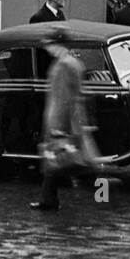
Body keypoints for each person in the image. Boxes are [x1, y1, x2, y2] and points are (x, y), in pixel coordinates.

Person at [31, 33, 99, 212]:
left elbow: (63, 98)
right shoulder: (72, 63)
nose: (47, 48)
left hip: (62, 123)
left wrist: (57, 126)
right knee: (54, 164)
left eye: (49, 44)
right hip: (68, 121)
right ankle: (47, 201)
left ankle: (105, 195)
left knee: (80, 167)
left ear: (57, 44)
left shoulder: (63, 66)